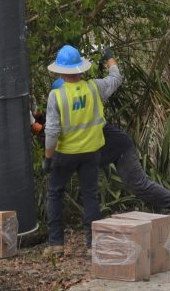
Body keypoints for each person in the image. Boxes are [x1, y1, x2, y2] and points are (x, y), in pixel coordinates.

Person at [40, 79, 170, 218]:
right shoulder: (66, 117)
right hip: (103, 154)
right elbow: (52, 131)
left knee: (137, 184)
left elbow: (56, 134)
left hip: (120, 149)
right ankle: (157, 208)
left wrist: (49, 159)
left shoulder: (81, 117)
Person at [42, 44, 121, 248]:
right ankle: (92, 243)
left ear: (60, 71)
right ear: (80, 67)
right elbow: (116, 78)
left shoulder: (56, 95)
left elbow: (52, 131)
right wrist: (109, 57)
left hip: (65, 154)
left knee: (55, 193)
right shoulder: (94, 88)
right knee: (90, 196)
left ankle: (56, 245)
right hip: (91, 152)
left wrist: (48, 157)